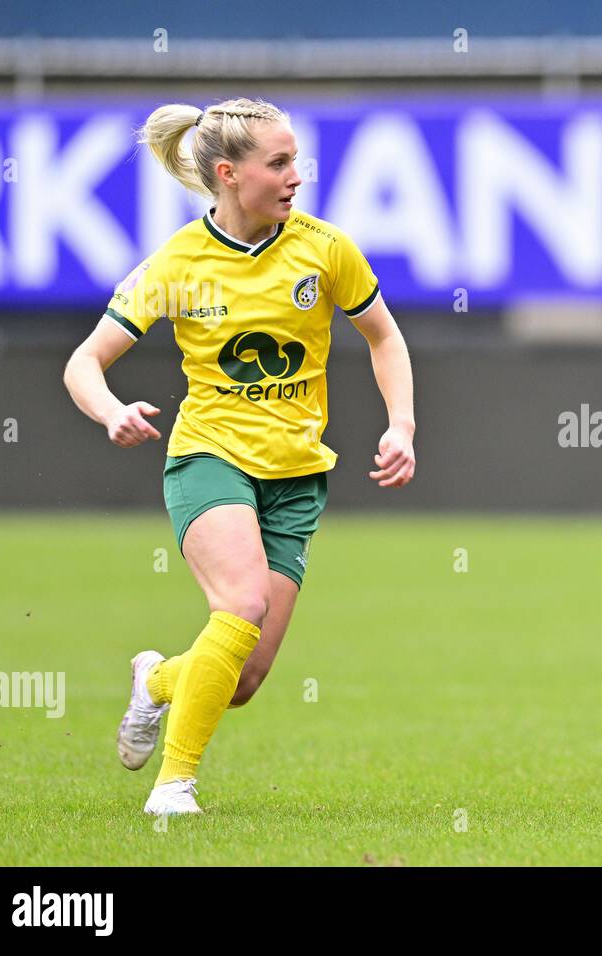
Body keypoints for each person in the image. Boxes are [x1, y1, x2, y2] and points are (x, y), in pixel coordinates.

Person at [63, 98, 417, 816]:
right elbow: (83, 363)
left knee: (245, 677)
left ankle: (157, 681)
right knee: (244, 603)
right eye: (279, 163)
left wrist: (402, 425)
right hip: (210, 458)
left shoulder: (326, 248)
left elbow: (384, 336)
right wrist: (111, 410)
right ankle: (174, 787)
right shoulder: (178, 262)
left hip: (295, 476)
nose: (296, 177)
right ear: (229, 174)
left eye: (297, 160)